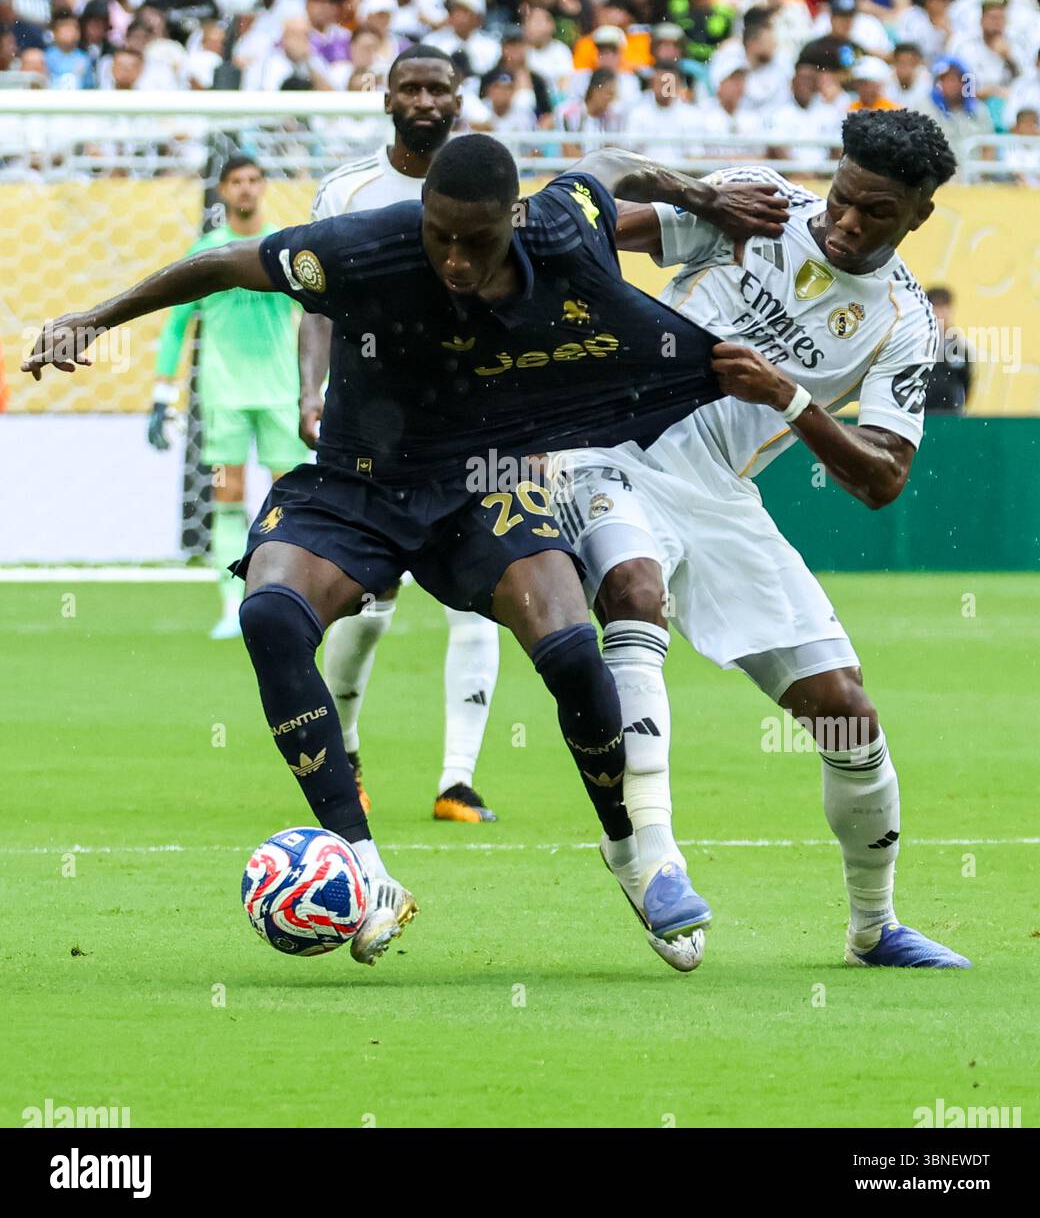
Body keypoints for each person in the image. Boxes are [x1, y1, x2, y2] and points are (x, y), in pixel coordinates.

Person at [23, 135, 786, 967]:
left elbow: (610, 161)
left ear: (516, 218)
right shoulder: (365, 245)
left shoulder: (563, 225)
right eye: (439, 235)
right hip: (358, 482)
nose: (454, 259)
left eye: (475, 240)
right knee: (272, 616)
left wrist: (704, 198)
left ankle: (633, 852)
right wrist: (90, 319)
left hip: (482, 483)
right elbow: (222, 263)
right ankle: (363, 863)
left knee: (571, 649)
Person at [548, 110, 973, 973]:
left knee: (847, 712)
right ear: (834, 174)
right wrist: (690, 195)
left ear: (920, 216)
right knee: (634, 588)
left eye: (878, 214)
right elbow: (584, 227)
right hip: (608, 441)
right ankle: (653, 854)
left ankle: (873, 930)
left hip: (718, 490)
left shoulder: (903, 323)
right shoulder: (759, 207)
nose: (850, 222)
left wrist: (790, 400)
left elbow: (883, 478)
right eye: (845, 198)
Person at [298, 45, 504, 824]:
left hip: (474, 420)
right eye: (409, 87)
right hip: (370, 422)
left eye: (437, 88)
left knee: (480, 595)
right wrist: (308, 390)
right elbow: (313, 300)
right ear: (386, 97)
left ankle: (458, 780)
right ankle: (345, 750)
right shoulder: (347, 190)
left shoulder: (493, 185)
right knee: (368, 594)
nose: (423, 99)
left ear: (459, 99)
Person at [148, 155, 309, 639]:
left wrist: (320, 389)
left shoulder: (283, 247)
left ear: (263, 188)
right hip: (225, 397)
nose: (245, 189)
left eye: (253, 180)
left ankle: (292, 595)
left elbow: (319, 318)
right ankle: (231, 605)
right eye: (236, 182)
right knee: (229, 495)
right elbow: (176, 324)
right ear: (222, 191)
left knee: (292, 497)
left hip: (283, 394)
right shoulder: (207, 252)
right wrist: (162, 392)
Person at [924, 286, 973, 414]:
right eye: (936, 307)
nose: (941, 313)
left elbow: (966, 382)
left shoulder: (960, 348)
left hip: (951, 416)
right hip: (922, 416)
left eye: (945, 307)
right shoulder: (918, 346)